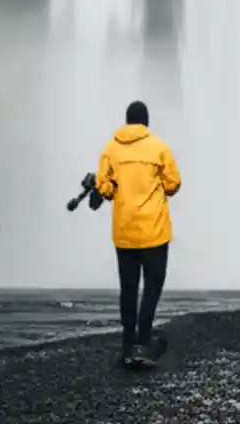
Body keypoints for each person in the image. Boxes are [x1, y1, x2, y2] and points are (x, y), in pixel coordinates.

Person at [95, 100, 182, 367]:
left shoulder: (111, 148)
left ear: (126, 121)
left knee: (128, 288)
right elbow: (173, 183)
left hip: (125, 231)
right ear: (146, 122)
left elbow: (104, 188)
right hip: (154, 230)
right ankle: (144, 340)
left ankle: (127, 345)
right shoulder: (159, 147)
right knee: (153, 285)